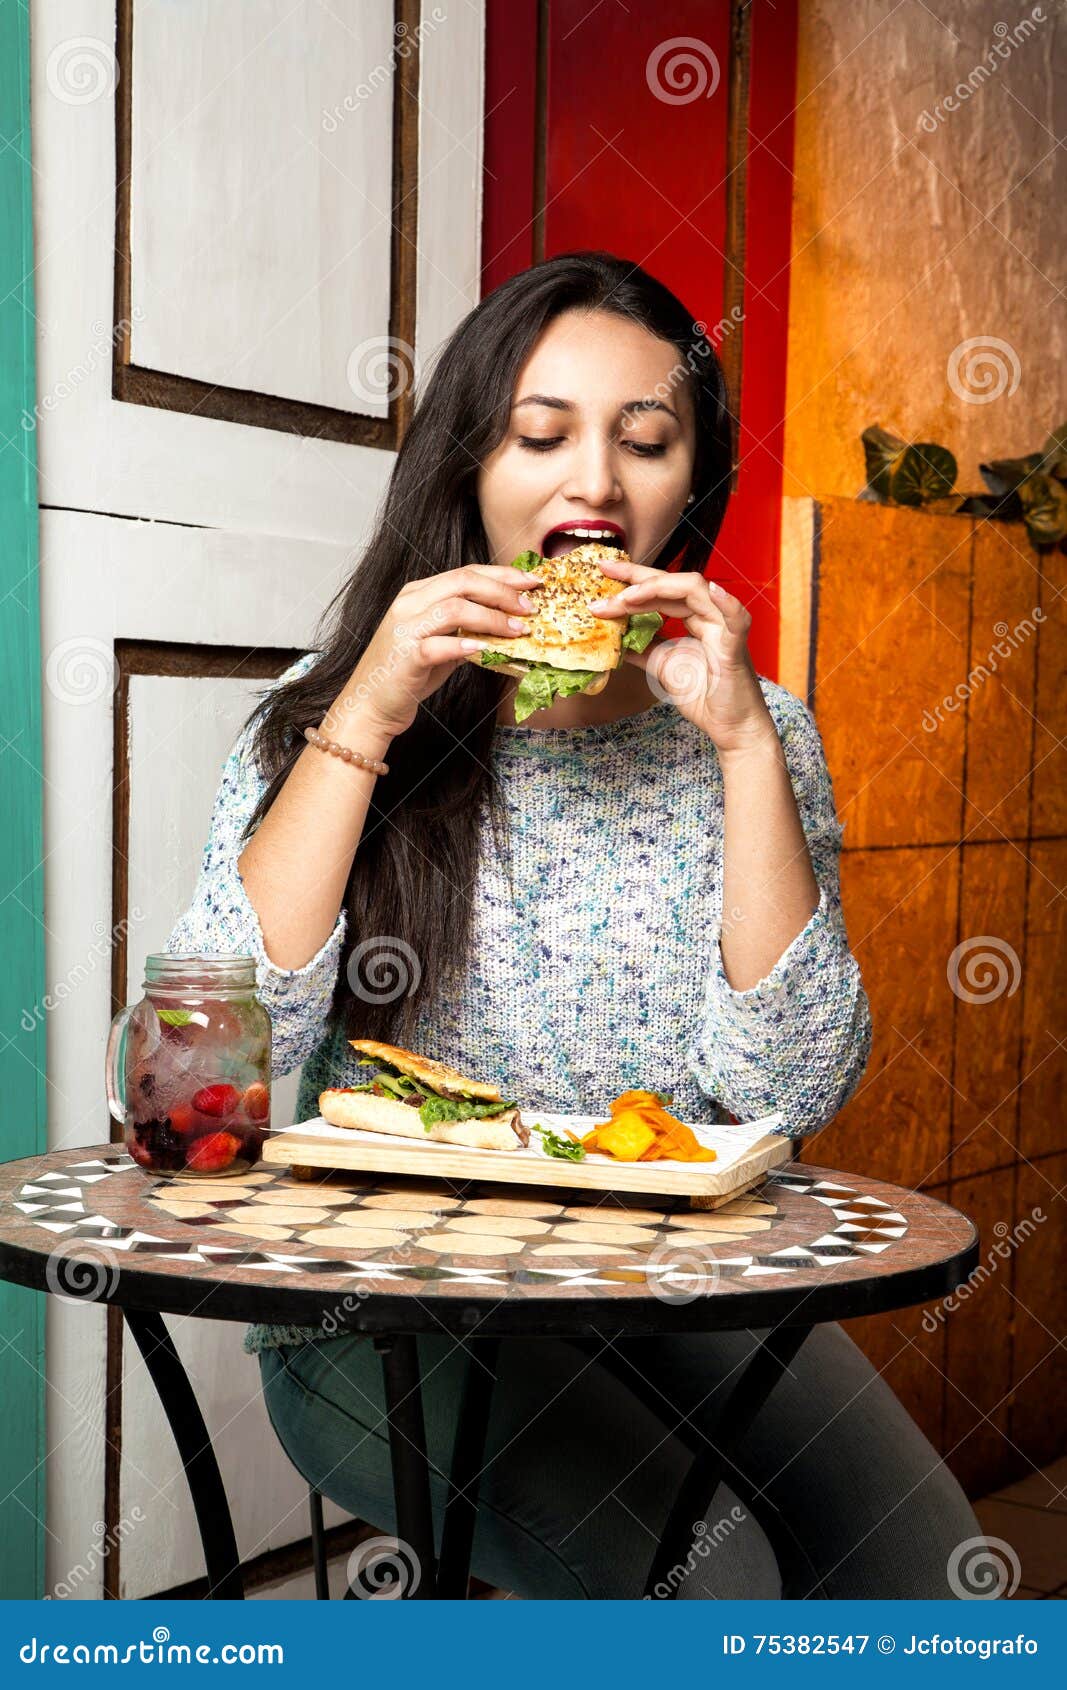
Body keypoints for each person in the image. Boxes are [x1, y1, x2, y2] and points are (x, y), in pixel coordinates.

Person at [165, 252, 981, 1598]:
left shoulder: (756, 732)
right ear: (470, 468)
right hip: (393, 1301)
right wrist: (367, 717)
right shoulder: (338, 713)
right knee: (711, 1586)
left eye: (645, 440)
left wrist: (740, 752)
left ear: (687, 486)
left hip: (675, 1274)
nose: (595, 480)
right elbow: (217, 1056)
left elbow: (791, 1087)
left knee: (928, 1563)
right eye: (542, 435)